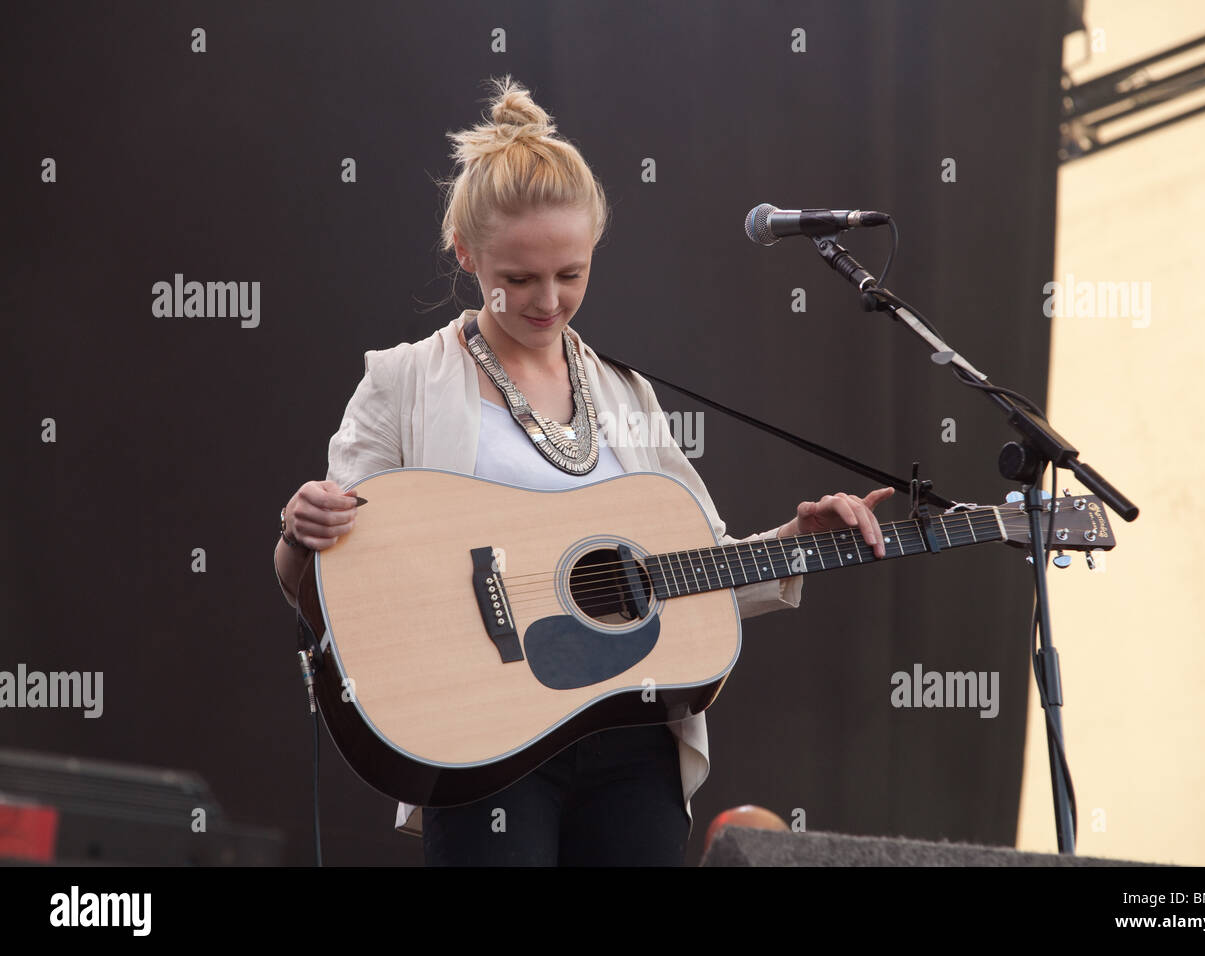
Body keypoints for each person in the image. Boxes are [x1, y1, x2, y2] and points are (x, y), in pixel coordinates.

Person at [272, 75, 895, 866]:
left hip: (633, 740)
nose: (548, 301)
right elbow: (325, 585)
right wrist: (301, 531)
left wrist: (794, 537)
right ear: (465, 254)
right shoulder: (404, 382)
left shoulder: (625, 393)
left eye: (571, 274)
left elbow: (680, 572)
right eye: (521, 278)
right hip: (482, 741)